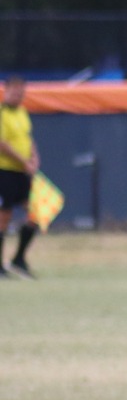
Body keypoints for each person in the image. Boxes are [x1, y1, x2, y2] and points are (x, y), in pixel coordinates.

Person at [0, 75, 41, 279]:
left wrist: (34, 157)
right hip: (5, 171)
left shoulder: (22, 112)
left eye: (21, 92)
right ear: (5, 91)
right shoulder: (2, 113)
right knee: (3, 217)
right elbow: (2, 143)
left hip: (22, 173)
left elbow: (27, 137)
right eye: (14, 92)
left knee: (35, 214)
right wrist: (22, 161)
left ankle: (18, 259)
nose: (18, 96)